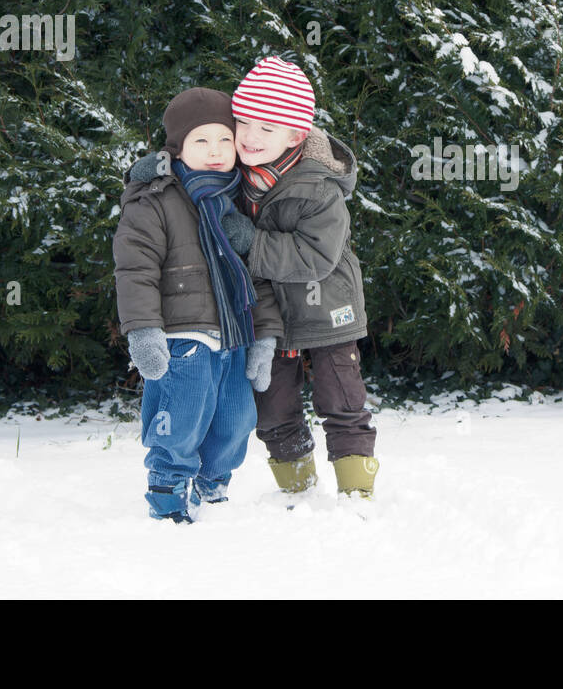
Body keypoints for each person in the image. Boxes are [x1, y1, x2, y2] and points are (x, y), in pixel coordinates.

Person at [126, 57, 380, 498]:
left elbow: (315, 256)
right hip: (272, 316)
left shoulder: (319, 187)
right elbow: (188, 175)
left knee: (342, 401)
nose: (250, 137)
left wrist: (249, 241)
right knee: (273, 407)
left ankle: (357, 493)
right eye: (243, 122)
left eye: (267, 128)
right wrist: (155, 166)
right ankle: (298, 490)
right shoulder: (235, 174)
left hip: (327, 310)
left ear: (296, 135)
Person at [112, 87, 275, 522]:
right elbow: (135, 269)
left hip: (235, 333)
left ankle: (214, 485)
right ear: (178, 147)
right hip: (181, 335)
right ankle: (167, 487)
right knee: (180, 416)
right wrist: (143, 331)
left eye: (225, 139)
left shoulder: (238, 198)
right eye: (201, 141)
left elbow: (257, 274)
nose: (216, 151)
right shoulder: (155, 197)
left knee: (235, 421)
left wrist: (267, 336)